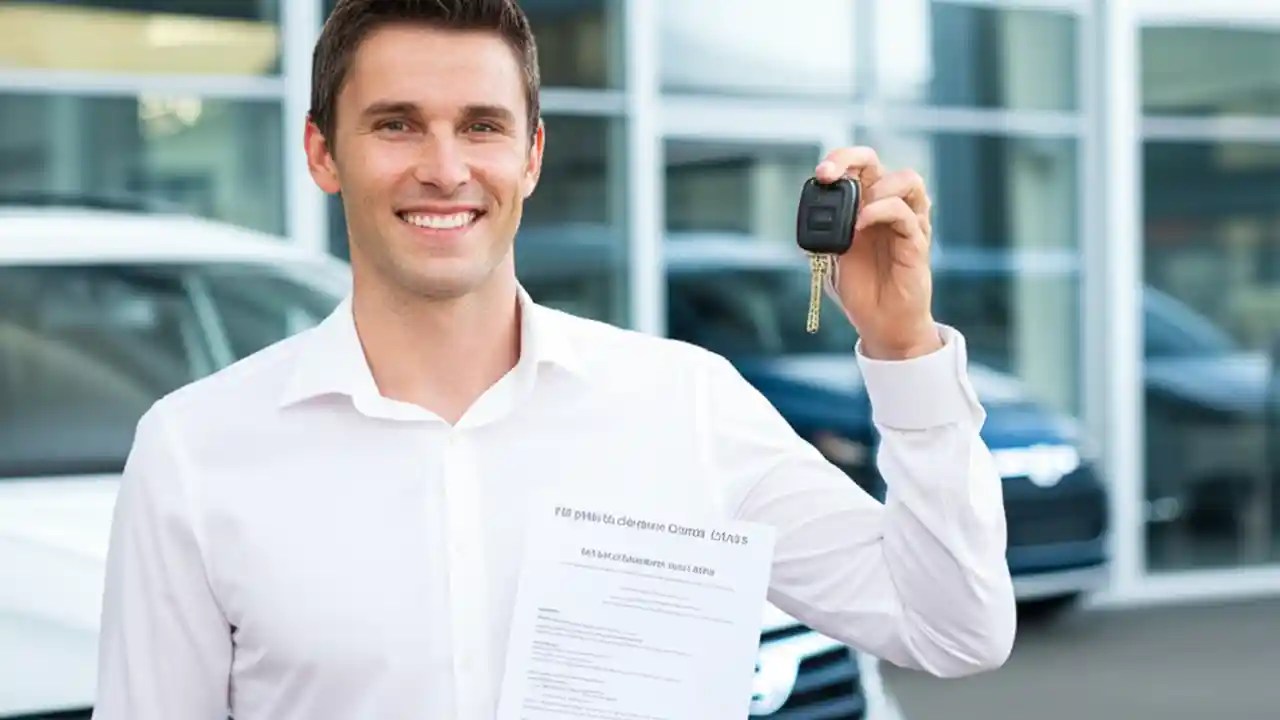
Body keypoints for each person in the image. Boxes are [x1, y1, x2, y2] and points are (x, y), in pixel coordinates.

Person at [92, 0, 1016, 718]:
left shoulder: (682, 403)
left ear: (531, 155)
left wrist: (904, 351)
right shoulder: (196, 450)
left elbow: (954, 629)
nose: (446, 168)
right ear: (322, 152)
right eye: (397, 124)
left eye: (483, 126)